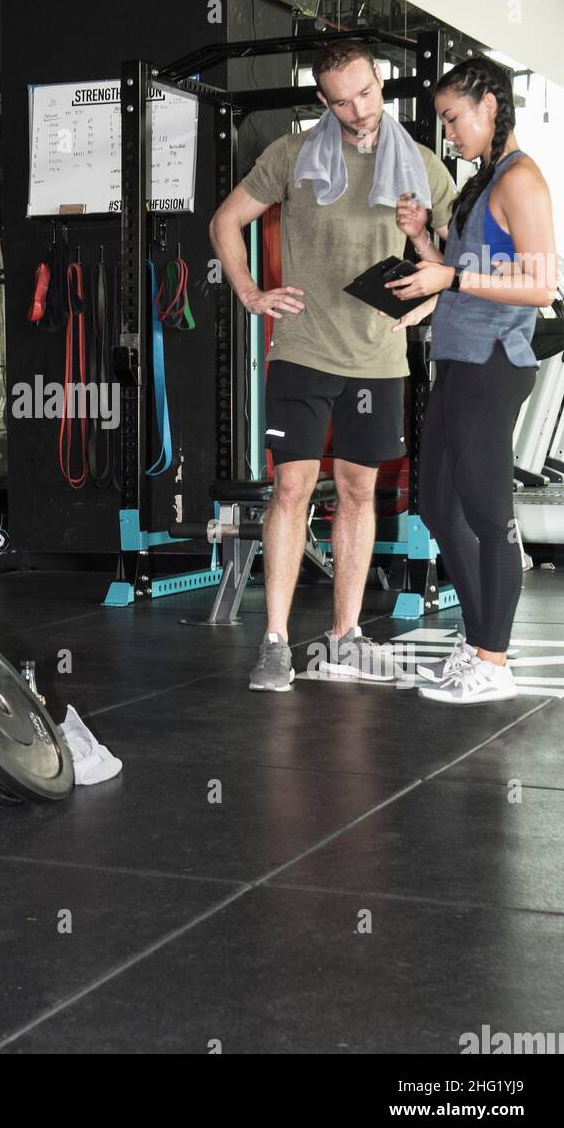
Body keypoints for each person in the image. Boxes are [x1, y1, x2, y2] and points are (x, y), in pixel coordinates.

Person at [209, 39, 455, 691]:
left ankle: (346, 637)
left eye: (366, 93)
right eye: (340, 101)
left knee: (357, 491)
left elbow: (453, 258)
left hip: (376, 361)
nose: (357, 110)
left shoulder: (420, 166)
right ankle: (274, 642)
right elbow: (226, 220)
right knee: (290, 489)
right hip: (302, 351)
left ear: (382, 82)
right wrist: (249, 292)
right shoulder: (291, 156)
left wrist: (423, 306)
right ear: (323, 100)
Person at [383, 56, 556, 704]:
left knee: (488, 515)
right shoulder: (482, 181)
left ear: (488, 105)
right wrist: (424, 243)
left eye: (454, 119)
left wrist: (448, 277)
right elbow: (461, 269)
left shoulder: (522, 181)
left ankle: (495, 659)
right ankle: (479, 638)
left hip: (492, 363)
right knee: (435, 505)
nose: (449, 134)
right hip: (456, 357)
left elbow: (539, 285)